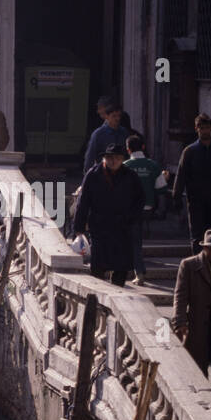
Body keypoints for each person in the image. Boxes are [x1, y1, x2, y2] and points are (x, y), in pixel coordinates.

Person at [73, 142, 145, 286]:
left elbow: (140, 200)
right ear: (104, 158)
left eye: (117, 158)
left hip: (122, 227)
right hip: (99, 226)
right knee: (98, 267)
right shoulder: (93, 175)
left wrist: (131, 218)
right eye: (110, 158)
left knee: (120, 268)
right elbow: (83, 202)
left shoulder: (130, 176)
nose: (113, 161)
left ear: (122, 159)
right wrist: (79, 227)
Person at [124, 134, 164, 285]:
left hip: (130, 210)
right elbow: (161, 188)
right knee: (137, 241)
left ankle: (139, 273)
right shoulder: (153, 165)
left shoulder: (125, 166)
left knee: (134, 242)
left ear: (128, 150)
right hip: (147, 209)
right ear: (143, 147)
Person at [173, 229, 211, 378]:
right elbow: (180, 296)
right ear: (205, 248)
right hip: (198, 325)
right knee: (198, 370)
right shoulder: (189, 265)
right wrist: (179, 321)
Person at [174, 113, 211, 254]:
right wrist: (176, 197)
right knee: (197, 235)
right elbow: (181, 175)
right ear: (197, 129)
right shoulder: (190, 151)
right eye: (202, 128)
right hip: (196, 200)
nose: (205, 131)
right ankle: (197, 265)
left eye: (208, 128)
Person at [83, 101, 131, 176]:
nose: (117, 119)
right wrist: (87, 175)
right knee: (61, 185)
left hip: (121, 172)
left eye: (119, 116)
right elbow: (90, 155)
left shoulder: (124, 133)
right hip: (103, 172)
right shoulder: (99, 134)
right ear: (107, 117)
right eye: (114, 116)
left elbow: (128, 154)